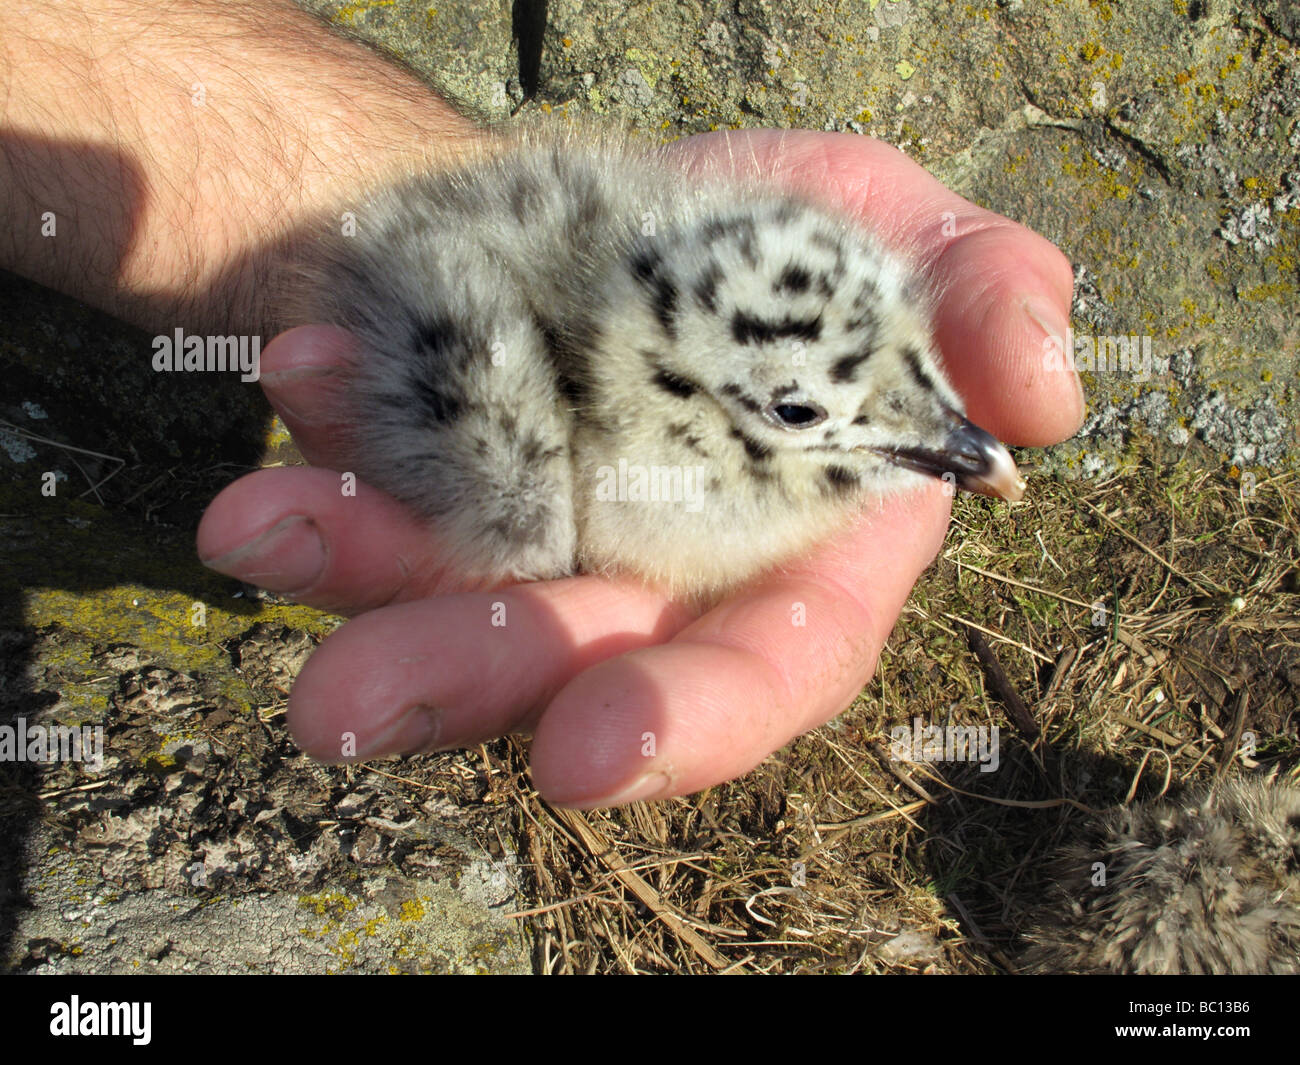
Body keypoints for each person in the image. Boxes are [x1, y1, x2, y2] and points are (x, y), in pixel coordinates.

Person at [4, 0, 1083, 806]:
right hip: (503, 358)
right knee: (514, 516)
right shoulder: (534, 468)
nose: (949, 430)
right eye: (801, 413)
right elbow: (449, 265)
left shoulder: (692, 343)